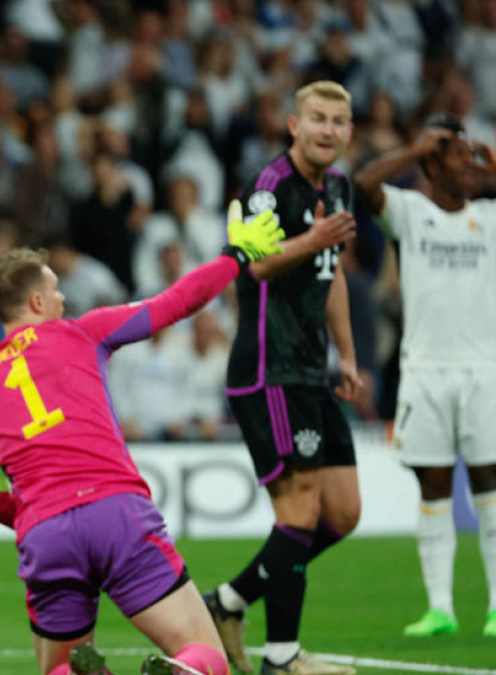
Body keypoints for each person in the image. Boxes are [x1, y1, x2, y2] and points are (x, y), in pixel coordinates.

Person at [0, 201, 282, 675]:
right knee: (205, 655)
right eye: (56, 289)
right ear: (36, 303)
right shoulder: (81, 333)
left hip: (44, 531)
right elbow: (177, 303)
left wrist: (37, 518)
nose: (64, 300)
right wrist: (235, 256)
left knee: (59, 668)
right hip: (115, 511)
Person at [203, 81, 362, 675]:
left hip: (311, 369)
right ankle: (283, 658)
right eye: (317, 118)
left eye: (339, 121)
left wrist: (346, 356)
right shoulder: (268, 188)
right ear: (294, 125)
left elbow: (333, 274)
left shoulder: (340, 188)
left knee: (342, 514)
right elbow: (253, 262)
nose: (328, 130)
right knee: (296, 514)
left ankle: (229, 601)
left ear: (349, 131)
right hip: (268, 369)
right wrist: (313, 237)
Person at [354, 114, 496, 638]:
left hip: (484, 371)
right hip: (425, 373)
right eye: (455, 157)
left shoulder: (489, 215)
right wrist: (416, 148)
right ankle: (440, 608)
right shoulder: (410, 213)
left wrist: (491, 164)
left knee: (490, 484)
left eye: (470, 157)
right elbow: (364, 185)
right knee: (433, 487)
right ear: (432, 166)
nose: (469, 166)